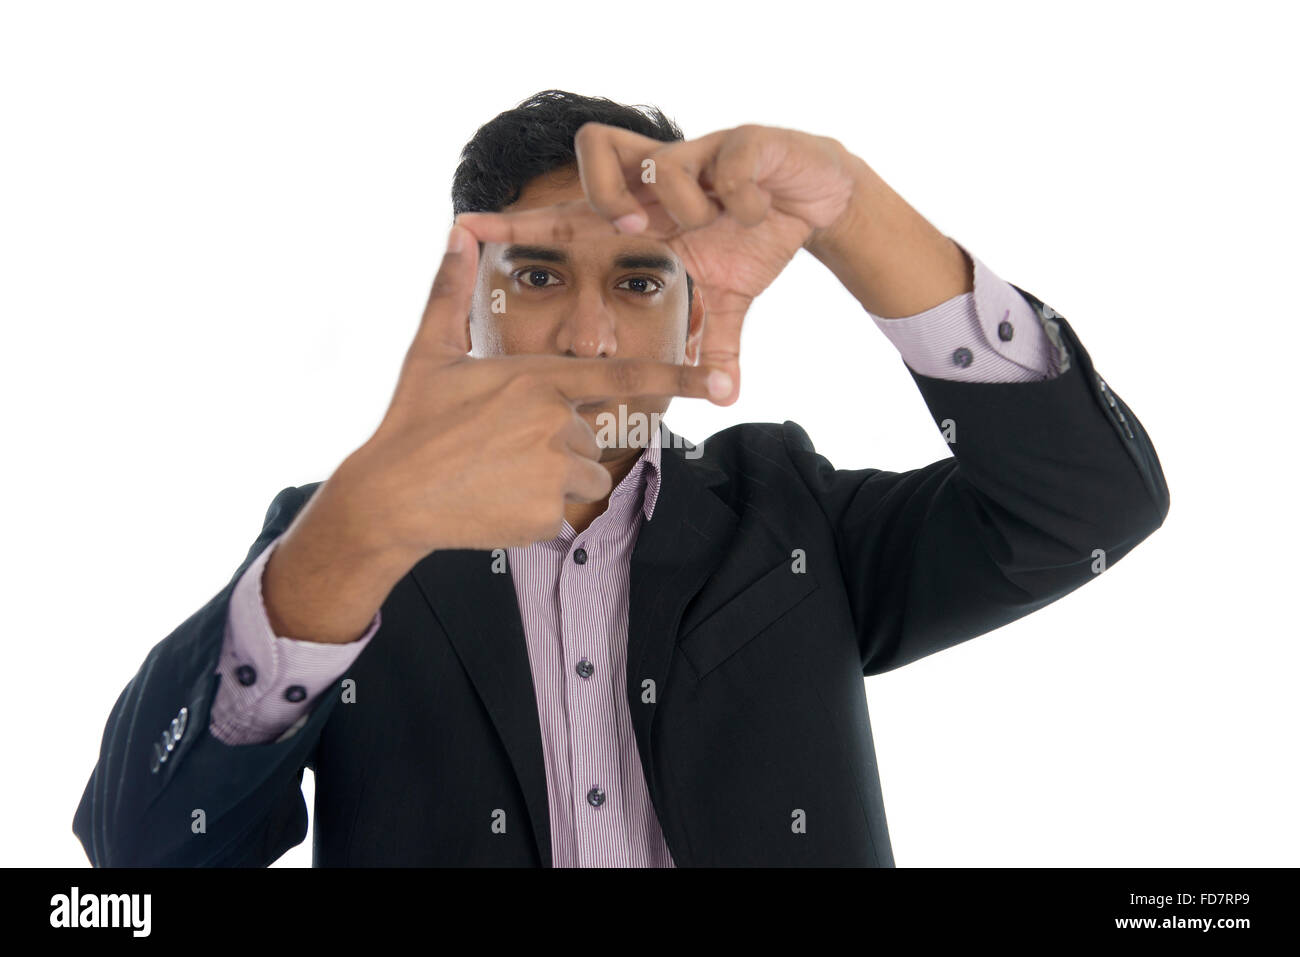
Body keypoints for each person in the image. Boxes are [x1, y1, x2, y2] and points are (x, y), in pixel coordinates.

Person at [73, 89, 1169, 867]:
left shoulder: (788, 515)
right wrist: (353, 529)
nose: (593, 335)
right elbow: (142, 857)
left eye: (641, 279)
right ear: (473, 294)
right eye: (542, 273)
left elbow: (1085, 504)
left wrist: (851, 210)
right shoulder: (348, 545)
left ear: (695, 303)